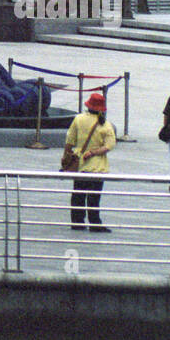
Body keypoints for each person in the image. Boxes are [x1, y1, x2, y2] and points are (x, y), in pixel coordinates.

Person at [63, 91, 116, 233]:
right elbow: (109, 145)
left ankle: (77, 221)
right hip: (98, 166)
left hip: (80, 164)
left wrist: (66, 158)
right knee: (94, 197)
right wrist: (93, 152)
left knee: (78, 194)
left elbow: (69, 141)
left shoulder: (78, 119)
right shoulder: (105, 125)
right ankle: (94, 222)